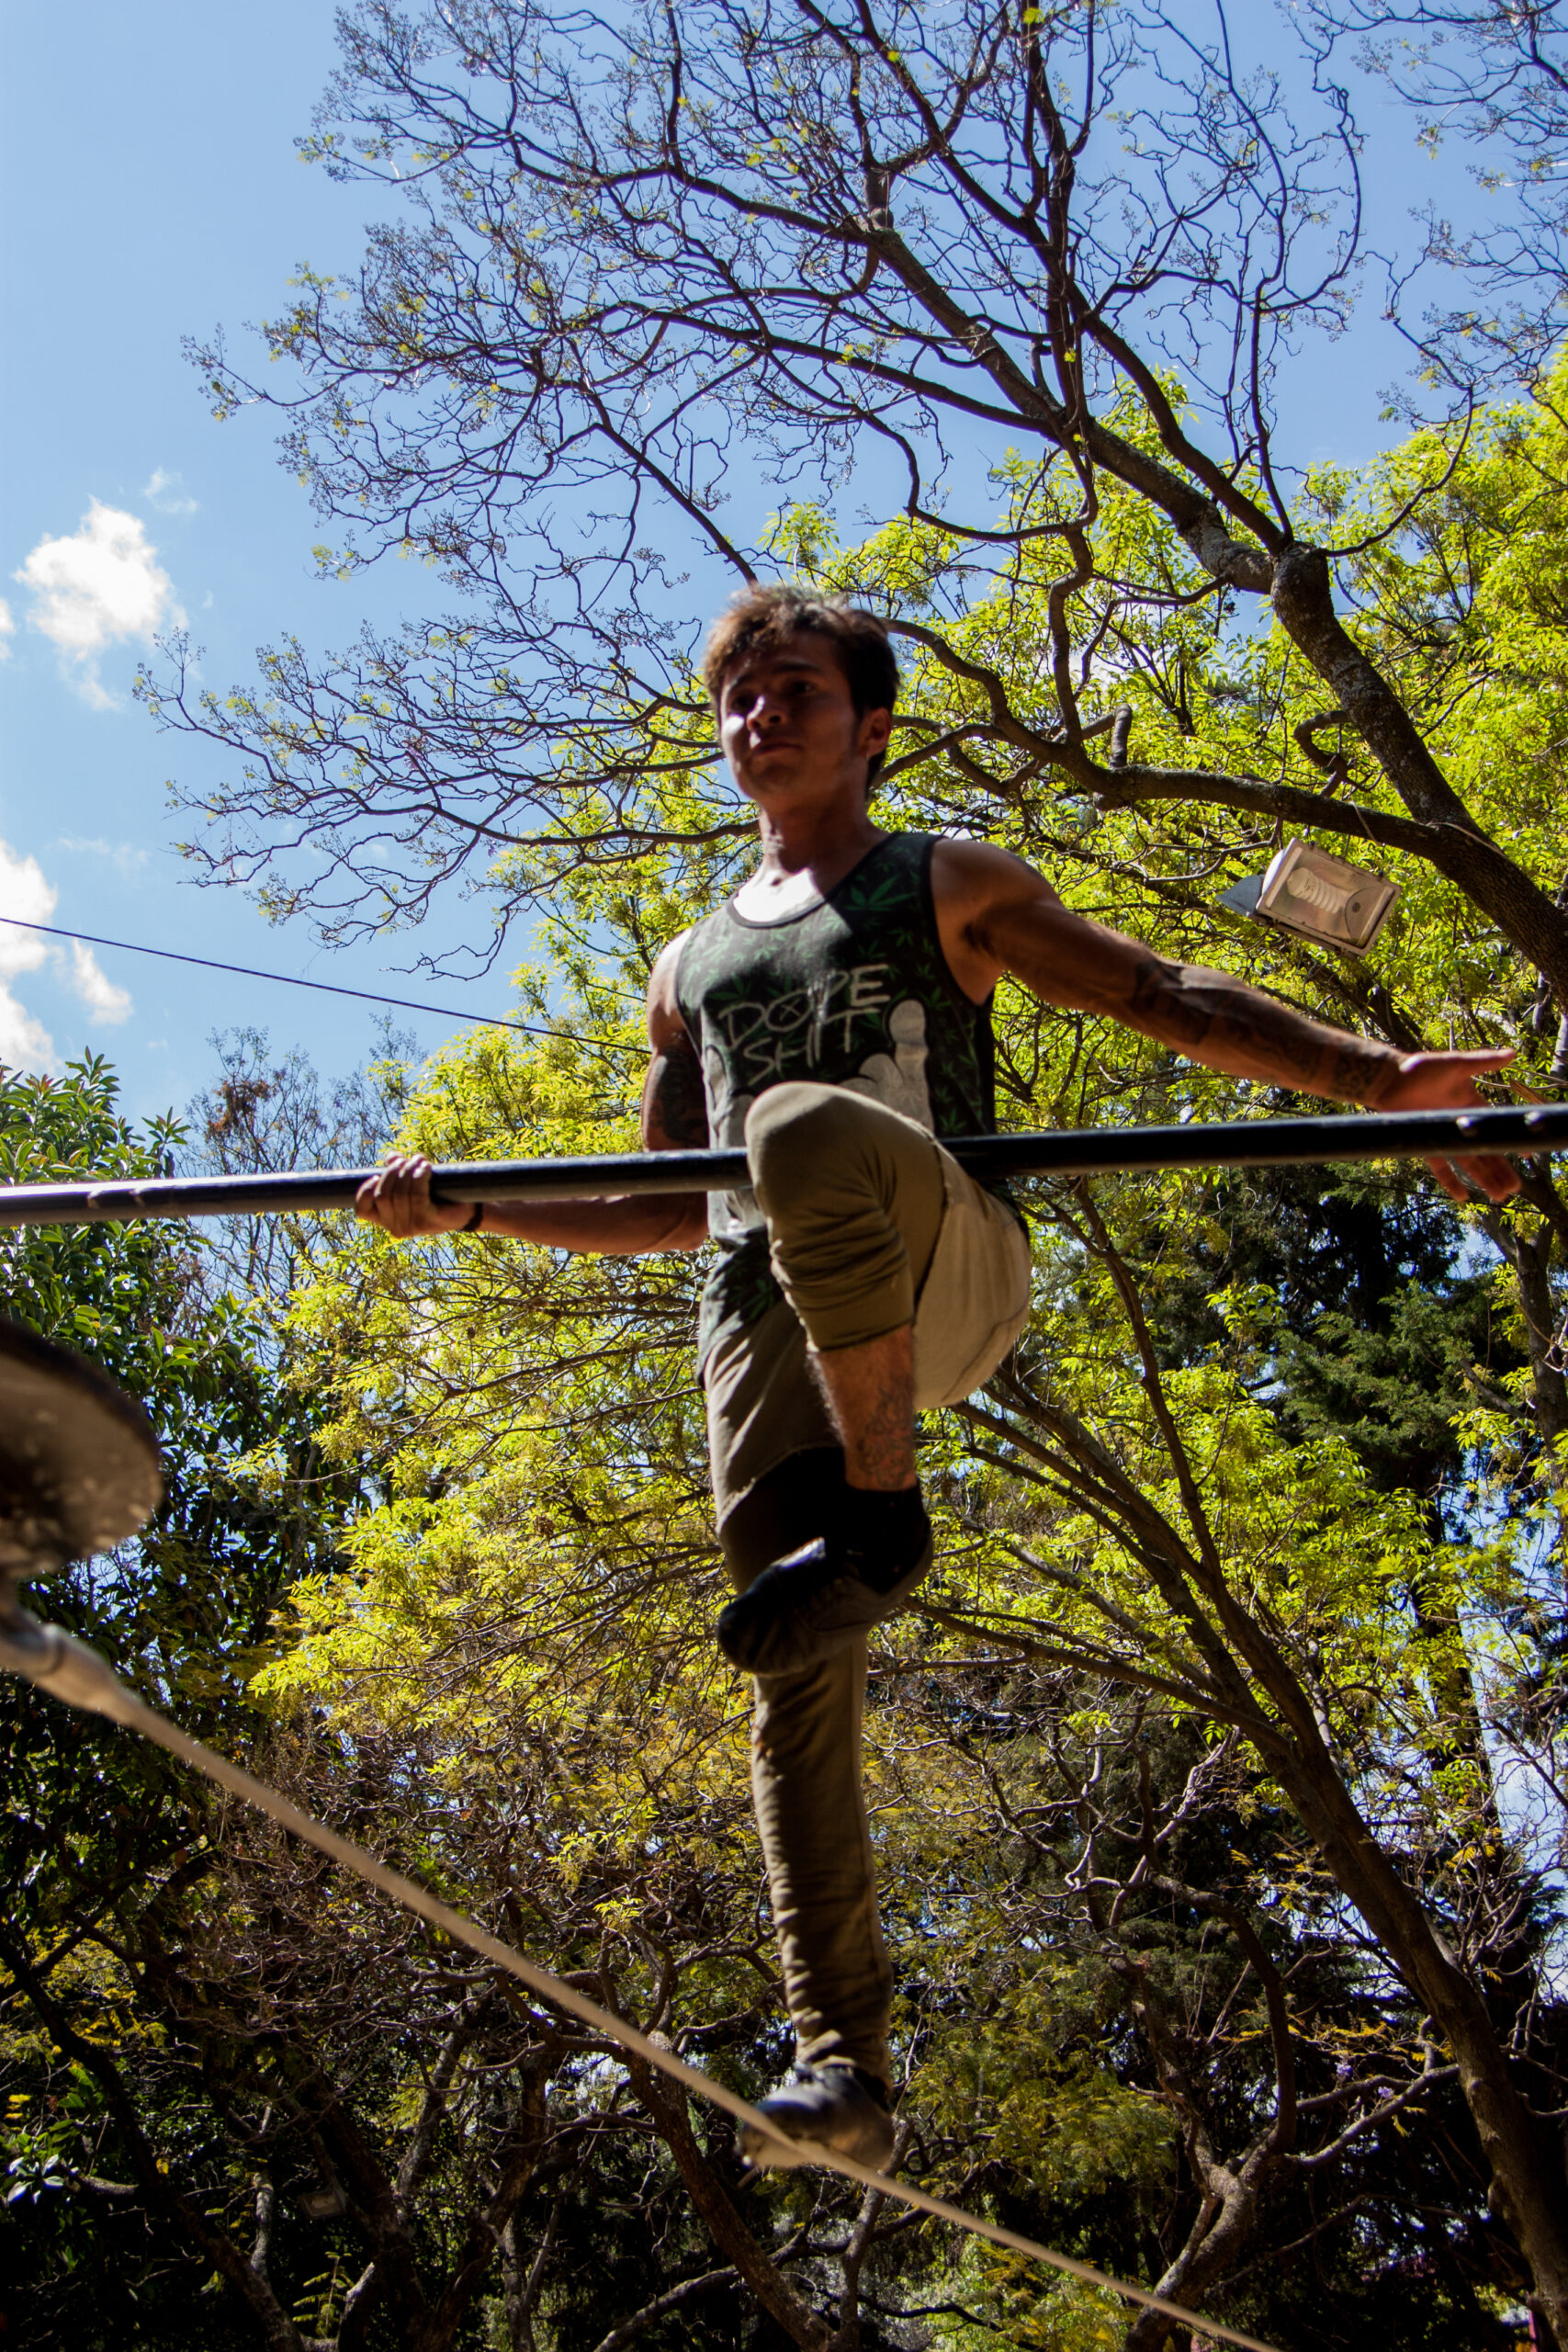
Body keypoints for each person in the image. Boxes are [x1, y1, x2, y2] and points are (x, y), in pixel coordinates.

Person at [355, 585, 1519, 2172]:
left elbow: (1166, 997)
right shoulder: (687, 963)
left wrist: (1381, 1086)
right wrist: (469, 1204)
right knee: (789, 1659)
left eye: (800, 692)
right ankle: (843, 2063)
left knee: (801, 1136)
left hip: (943, 1265)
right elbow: (654, 1207)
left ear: (871, 725)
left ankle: (887, 1515)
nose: (764, 718)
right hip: (762, 1321)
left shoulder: (943, 881)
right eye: (742, 701)